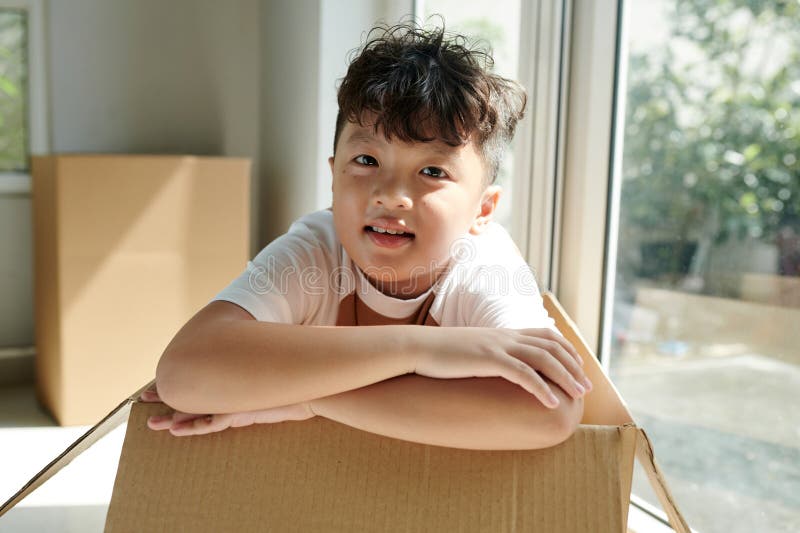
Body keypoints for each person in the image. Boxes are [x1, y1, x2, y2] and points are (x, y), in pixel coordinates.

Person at [143, 22, 592, 450]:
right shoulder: (316, 248)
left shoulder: (486, 267)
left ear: (483, 210)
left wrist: (305, 399)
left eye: (432, 171)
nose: (392, 195)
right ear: (333, 178)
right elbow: (185, 375)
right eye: (366, 161)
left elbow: (551, 410)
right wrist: (423, 350)